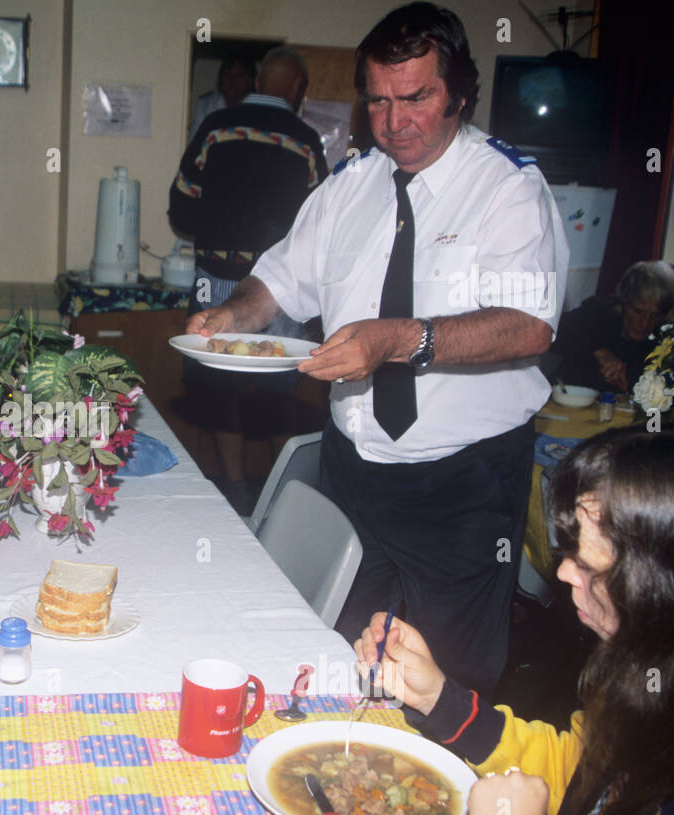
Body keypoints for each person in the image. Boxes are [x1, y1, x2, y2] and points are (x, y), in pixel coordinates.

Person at [188, 2, 569, 692]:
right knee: (338, 660)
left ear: (457, 90)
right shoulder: (349, 185)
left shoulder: (507, 189)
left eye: (416, 97)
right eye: (379, 101)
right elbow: (279, 277)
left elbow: (529, 325)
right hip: (353, 471)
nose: (395, 123)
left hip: (462, 485)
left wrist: (400, 339)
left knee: (443, 680)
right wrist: (235, 313)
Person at [356, 423, 674, 815]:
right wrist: (438, 698)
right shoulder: (645, 680)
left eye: (589, 567)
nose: (562, 572)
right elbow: (575, 776)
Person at [170, 46, 328, 513]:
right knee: (281, 386)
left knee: (220, 388)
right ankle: (287, 496)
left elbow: (180, 205)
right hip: (278, 287)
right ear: (297, 89)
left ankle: (235, 489)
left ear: (260, 80)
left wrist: (219, 228)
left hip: (215, 277)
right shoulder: (306, 142)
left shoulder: (216, 127)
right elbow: (324, 222)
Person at [551, 260, 674, 393]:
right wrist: (598, 351)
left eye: (655, 315)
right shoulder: (596, 314)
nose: (645, 323)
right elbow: (550, 335)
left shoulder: (663, 344)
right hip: (561, 399)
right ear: (624, 302)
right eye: (638, 311)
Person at [188, 54, 255, 142]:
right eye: (227, 73)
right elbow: (193, 142)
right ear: (220, 78)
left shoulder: (258, 109)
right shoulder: (206, 105)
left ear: (251, 81)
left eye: (239, 75)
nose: (232, 80)